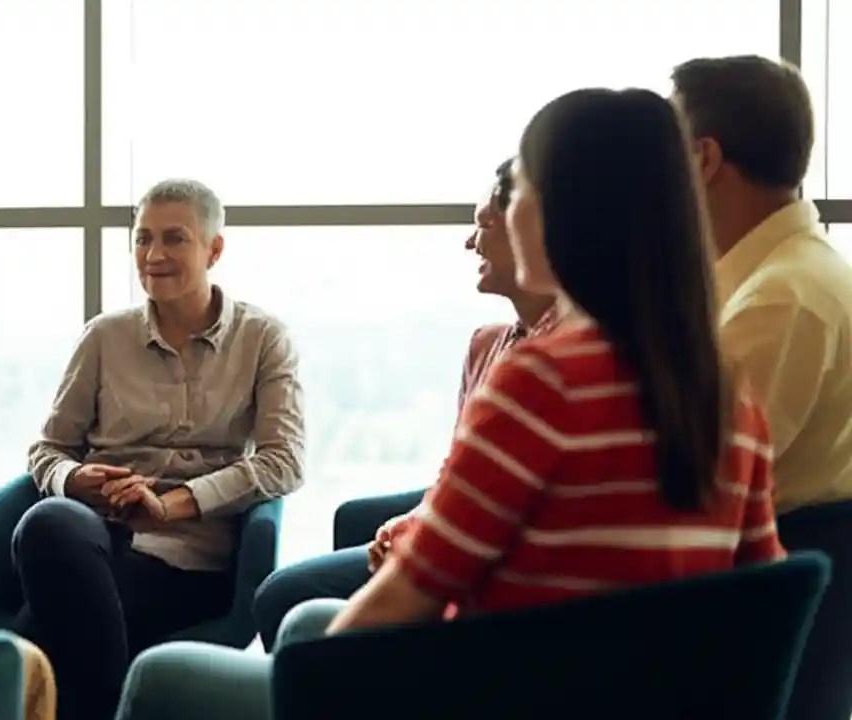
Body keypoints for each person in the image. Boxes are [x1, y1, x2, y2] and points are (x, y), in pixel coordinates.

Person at [115, 88, 783, 720]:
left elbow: (408, 593)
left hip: (488, 695)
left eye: (516, 187)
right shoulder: (729, 399)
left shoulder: (542, 384)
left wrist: (310, 692)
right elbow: (765, 607)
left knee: (159, 674)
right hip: (629, 699)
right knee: (310, 623)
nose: (499, 212)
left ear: (562, 212)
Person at [18, 178, 305, 720]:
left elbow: (283, 460)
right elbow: (48, 450)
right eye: (143, 238)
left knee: (40, 633)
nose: (154, 255)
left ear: (214, 249)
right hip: (96, 534)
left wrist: (171, 504)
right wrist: (77, 480)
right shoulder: (104, 336)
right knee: (45, 523)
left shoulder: (263, 338)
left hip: (190, 554)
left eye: (174, 239)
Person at [252, 158, 558, 651]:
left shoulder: (553, 369)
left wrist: (414, 531)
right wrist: (413, 518)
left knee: (284, 596)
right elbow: (460, 470)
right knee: (331, 552)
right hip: (452, 536)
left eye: (483, 224)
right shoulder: (487, 345)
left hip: (479, 568)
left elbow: (497, 506)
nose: (470, 241)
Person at [672, 54, 852, 720]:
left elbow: (704, 485)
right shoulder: (779, 277)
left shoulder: (782, 299)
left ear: (704, 158)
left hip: (746, 608)